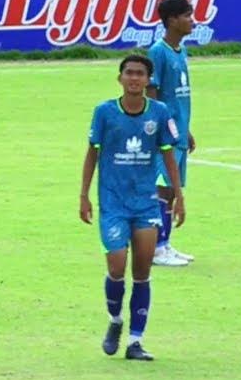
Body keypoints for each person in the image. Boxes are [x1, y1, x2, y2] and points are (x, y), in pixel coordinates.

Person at [79, 55, 186, 361]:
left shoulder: (160, 113)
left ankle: (135, 341)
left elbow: (168, 155)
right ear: (120, 78)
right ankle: (115, 320)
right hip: (113, 203)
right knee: (115, 267)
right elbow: (92, 154)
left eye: (140, 74)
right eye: (129, 73)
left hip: (145, 203)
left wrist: (178, 195)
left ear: (148, 80)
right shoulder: (105, 112)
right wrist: (84, 195)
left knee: (141, 271)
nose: (135, 78)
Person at [147, 0, 196, 267]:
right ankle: (156, 248)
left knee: (173, 191)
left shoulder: (181, 50)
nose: (193, 21)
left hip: (179, 131)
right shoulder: (158, 51)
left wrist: (186, 130)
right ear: (172, 20)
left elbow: (179, 97)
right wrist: (158, 130)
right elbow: (153, 94)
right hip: (166, 133)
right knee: (163, 188)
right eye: (188, 16)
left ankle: (164, 243)